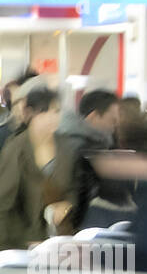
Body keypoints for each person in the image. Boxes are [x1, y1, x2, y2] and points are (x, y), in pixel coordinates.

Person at [0, 86, 62, 255]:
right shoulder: (17, 150)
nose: (52, 118)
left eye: (56, 112)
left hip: (56, 248)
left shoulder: (65, 148)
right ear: (29, 114)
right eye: (44, 112)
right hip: (20, 246)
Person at [47, 88, 121, 233]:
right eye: (112, 120)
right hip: (78, 232)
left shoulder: (95, 144)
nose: (116, 126)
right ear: (93, 117)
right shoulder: (76, 147)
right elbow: (70, 193)